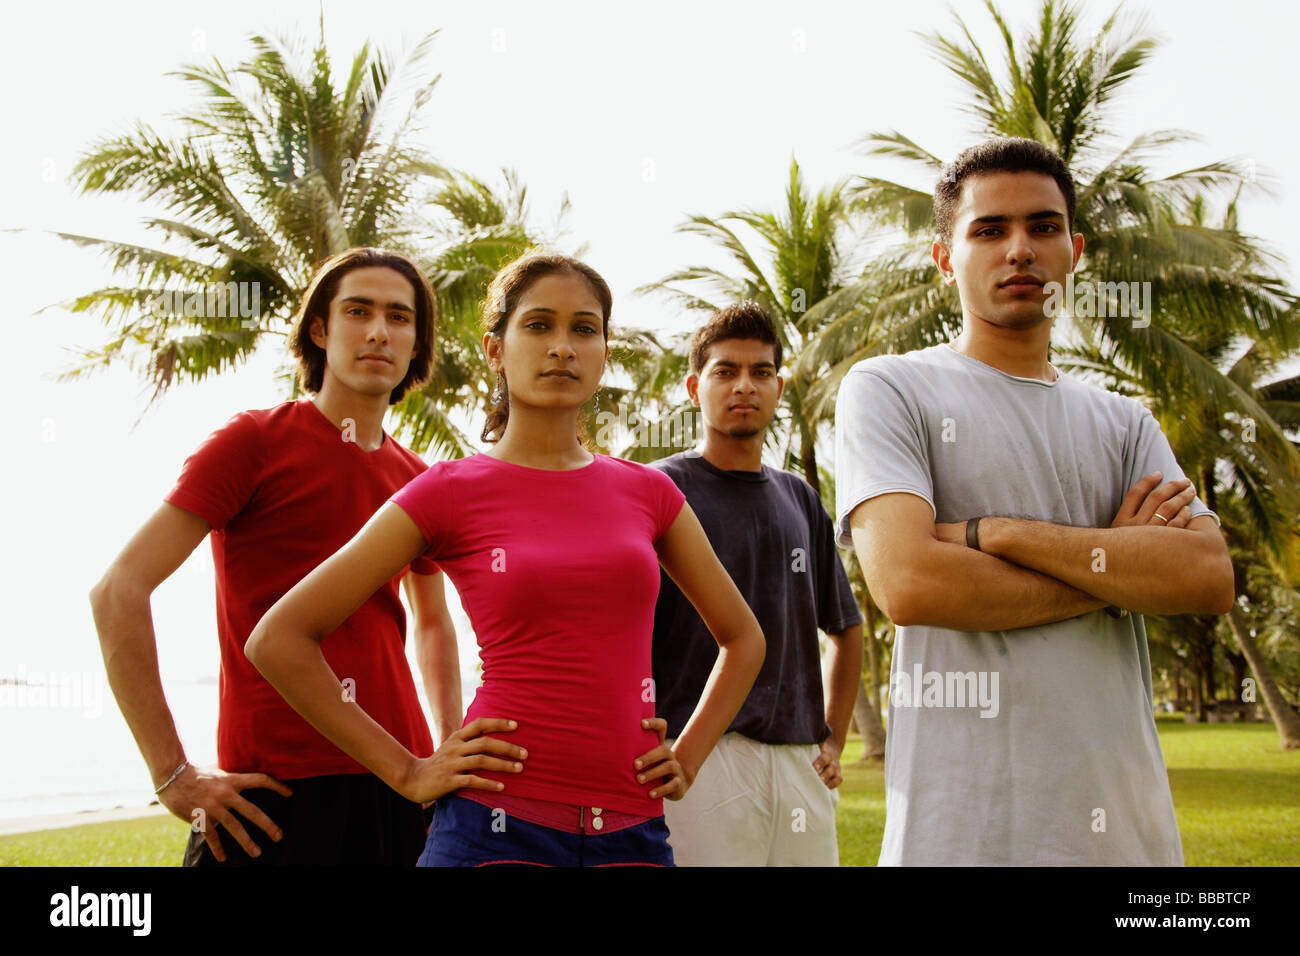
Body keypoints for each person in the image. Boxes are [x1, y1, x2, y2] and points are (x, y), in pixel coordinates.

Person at [246, 252, 766, 867]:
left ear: (604, 351)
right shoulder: (448, 490)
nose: (562, 348)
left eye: (584, 329)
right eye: (539, 325)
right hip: (494, 829)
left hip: (634, 832)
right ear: (496, 349)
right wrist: (409, 772)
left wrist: (688, 755)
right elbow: (279, 638)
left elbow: (743, 639)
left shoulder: (648, 493)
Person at [835, 137, 1235, 866]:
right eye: (989, 230)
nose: (1019, 249)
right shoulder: (890, 388)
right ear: (943, 258)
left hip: (1126, 842)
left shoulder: (1124, 421)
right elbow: (912, 583)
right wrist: (1116, 568)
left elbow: (1206, 578)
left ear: (1074, 250)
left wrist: (993, 533)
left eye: (1043, 227)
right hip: (960, 835)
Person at [90, 247, 485, 866]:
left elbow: (433, 621)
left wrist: (446, 743)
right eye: (359, 311)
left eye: (399, 317)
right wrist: (172, 773)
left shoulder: (419, 480)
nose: (380, 330)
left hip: (399, 783)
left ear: (416, 344)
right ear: (321, 331)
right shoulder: (253, 442)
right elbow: (118, 590)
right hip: (271, 795)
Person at [650, 302, 863, 866]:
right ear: (695, 386)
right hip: (697, 755)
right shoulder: (659, 490)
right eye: (725, 371)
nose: (744, 386)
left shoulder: (801, 498)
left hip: (800, 761)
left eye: (760, 372)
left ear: (778, 386)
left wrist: (834, 739)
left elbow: (847, 629)